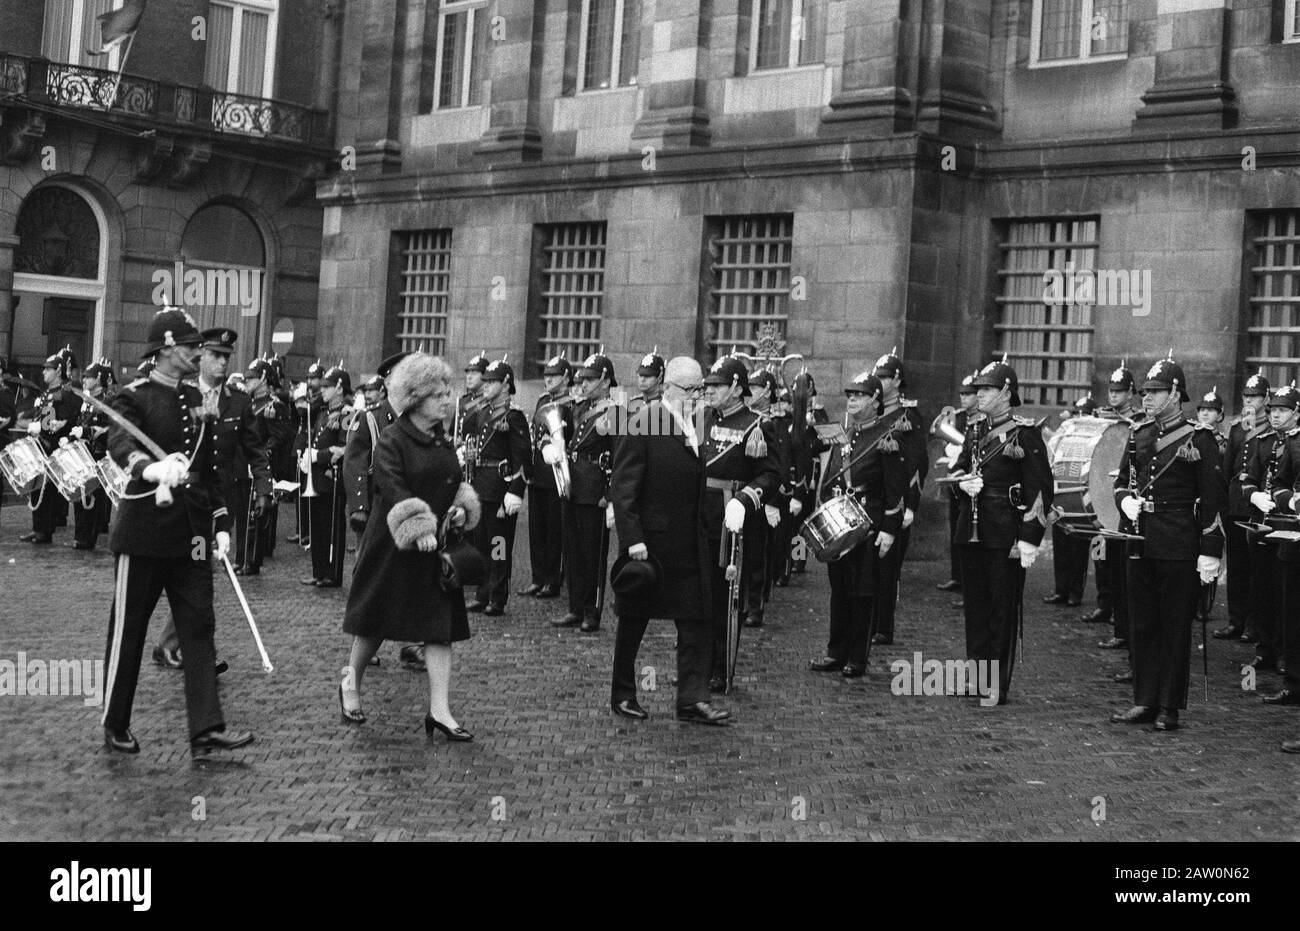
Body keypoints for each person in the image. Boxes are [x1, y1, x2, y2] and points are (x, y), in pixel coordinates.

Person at [101, 308, 253, 755]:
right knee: (129, 631)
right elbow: (119, 443)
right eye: (190, 347)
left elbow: (208, 471)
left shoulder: (196, 401)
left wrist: (221, 522)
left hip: (191, 535)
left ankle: (206, 727)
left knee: (198, 627)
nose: (198, 353)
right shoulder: (135, 396)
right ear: (167, 349)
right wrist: (149, 469)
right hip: (145, 534)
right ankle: (115, 719)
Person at [340, 352, 481, 741]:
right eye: (438, 394)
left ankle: (440, 710)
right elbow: (392, 486)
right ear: (416, 398)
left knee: (440, 629)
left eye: (447, 392)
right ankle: (350, 683)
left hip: (434, 548)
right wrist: (418, 527)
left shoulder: (441, 440)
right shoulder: (391, 439)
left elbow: (452, 481)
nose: (446, 400)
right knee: (373, 624)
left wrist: (456, 509)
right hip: (392, 548)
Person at [608, 356, 731, 725]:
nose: (697, 397)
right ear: (668, 387)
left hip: (689, 542)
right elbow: (623, 487)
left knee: (696, 619)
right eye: (690, 390)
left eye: (701, 390)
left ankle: (692, 700)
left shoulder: (697, 424)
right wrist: (632, 540)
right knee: (634, 619)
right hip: (652, 544)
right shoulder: (644, 423)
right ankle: (623, 693)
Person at [1110, 354, 1225, 732]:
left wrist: (1210, 552)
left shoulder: (1199, 438)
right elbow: (1122, 481)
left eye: (1156, 392)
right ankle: (1144, 699)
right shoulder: (1139, 433)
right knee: (1142, 623)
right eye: (1145, 391)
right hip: (1141, 538)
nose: (1147, 398)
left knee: (1174, 625)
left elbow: (1212, 499)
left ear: (1175, 393)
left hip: (1178, 542)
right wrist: (1124, 499)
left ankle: (1169, 706)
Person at [952, 357, 1053, 705]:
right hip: (972, 527)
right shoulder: (975, 429)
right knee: (976, 606)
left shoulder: (1025, 433)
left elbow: (1040, 488)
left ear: (1006, 392)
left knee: (1001, 606)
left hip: (1005, 530)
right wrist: (962, 484)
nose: (979, 394)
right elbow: (955, 472)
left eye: (987, 389)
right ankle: (977, 675)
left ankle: (997, 682)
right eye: (978, 389)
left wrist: (1029, 538)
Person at [808, 372, 906, 678]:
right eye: (850, 394)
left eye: (860, 395)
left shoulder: (887, 436)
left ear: (876, 401)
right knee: (839, 589)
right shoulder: (843, 434)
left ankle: (857, 657)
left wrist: (890, 528)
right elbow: (831, 473)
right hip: (840, 521)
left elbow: (895, 488)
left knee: (862, 592)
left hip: (868, 523)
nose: (852, 399)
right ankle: (835, 651)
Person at [699, 356, 782, 692]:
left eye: (716, 386)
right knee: (697, 594)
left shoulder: (758, 425)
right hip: (697, 514)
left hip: (728, 517)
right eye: (708, 385)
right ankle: (696, 665)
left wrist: (745, 499)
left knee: (723, 597)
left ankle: (720, 667)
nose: (710, 391)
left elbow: (771, 474)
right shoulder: (701, 418)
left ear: (736, 388)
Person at [548, 353, 620, 633]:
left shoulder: (615, 412)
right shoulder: (580, 409)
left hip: (595, 491)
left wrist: (610, 493)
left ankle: (592, 611)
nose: (584, 384)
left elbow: (620, 456)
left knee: (593, 555)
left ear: (605, 380)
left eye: (590, 380)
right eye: (583, 380)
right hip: (573, 487)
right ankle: (575, 607)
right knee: (574, 552)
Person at [1238, 384, 1300, 680]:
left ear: (1296, 413)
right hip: (1261, 523)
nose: (1276, 415)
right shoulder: (1262, 442)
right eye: (1273, 410)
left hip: (1288, 526)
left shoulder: (1297, 442)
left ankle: (1287, 654)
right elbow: (1247, 477)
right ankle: (1266, 648)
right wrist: (1253, 496)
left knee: (1285, 591)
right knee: (1260, 587)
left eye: (1282, 410)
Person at [870, 349, 928, 645]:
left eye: (883, 377)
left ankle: (884, 625)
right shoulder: (872, 411)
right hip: (872, 499)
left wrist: (912, 504)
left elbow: (918, 462)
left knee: (887, 568)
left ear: (896, 380)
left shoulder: (908, 416)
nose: (879, 382)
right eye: (876, 376)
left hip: (897, 501)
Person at [464, 358, 530, 615]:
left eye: (492, 382)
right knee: (481, 544)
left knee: (499, 544)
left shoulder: (513, 416)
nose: (486, 385)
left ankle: (497, 595)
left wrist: (515, 492)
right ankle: (482, 592)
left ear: (505, 384)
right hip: (481, 485)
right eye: (486, 380)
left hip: (501, 488)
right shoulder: (483, 412)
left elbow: (523, 458)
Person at [1091, 363, 1144, 683]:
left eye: (1119, 391)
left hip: (1133, 510)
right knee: (1109, 565)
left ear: (1130, 393)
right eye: (1110, 391)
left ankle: (1127, 633)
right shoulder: (1102, 418)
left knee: (1130, 579)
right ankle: (1111, 616)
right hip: (1108, 505)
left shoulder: (1138, 423)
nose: (1113, 396)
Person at [1216, 370, 1270, 642]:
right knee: (1236, 565)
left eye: (1255, 396)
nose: (1250, 401)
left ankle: (1253, 624)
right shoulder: (1237, 429)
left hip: (1259, 506)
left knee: (1256, 568)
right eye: (1247, 396)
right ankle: (1235, 620)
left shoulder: (1271, 428)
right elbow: (1227, 470)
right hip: (1236, 504)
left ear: (1266, 398)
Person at [520, 353, 574, 599]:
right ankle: (538, 576)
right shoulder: (542, 400)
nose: (549, 380)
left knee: (555, 530)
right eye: (547, 375)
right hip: (539, 472)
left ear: (566, 378)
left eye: (554, 376)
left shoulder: (572, 404)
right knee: (537, 528)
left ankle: (554, 579)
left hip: (558, 474)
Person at [16, 348, 78, 544]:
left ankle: (45, 530)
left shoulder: (64, 393)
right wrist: (31, 424)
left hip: (50, 446)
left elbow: (62, 421)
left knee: (47, 491)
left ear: (58, 371)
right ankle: (38, 527)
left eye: (48, 369)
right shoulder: (46, 394)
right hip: (39, 445)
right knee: (36, 488)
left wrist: (39, 427)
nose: (43, 372)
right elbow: (39, 416)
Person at [240, 356, 294, 575]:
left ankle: (253, 560)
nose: (248, 381)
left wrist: (263, 453)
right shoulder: (250, 404)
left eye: (252, 378)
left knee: (257, 514)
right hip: (245, 464)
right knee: (245, 513)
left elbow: (280, 436)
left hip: (261, 465)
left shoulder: (274, 405)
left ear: (263, 379)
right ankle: (243, 555)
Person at [1045, 394, 1096, 609]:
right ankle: (1061, 589)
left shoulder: (1095, 438)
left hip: (1081, 501)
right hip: (1061, 498)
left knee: (1078, 550)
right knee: (1061, 547)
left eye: (1084, 413)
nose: (1080, 417)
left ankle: (1075, 592)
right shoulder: (1064, 434)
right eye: (1077, 413)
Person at [303, 363, 351, 587]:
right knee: (318, 527)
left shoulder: (346, 414)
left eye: (327, 386)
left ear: (339, 388)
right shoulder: (323, 413)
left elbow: (343, 448)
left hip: (333, 479)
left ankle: (332, 573)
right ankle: (318, 570)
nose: (322, 390)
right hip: (318, 480)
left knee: (332, 528)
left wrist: (317, 456)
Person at [935, 371, 978, 597]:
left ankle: (970, 585)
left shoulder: (981, 419)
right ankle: (957, 576)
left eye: (969, 394)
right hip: (957, 480)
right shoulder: (959, 418)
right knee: (956, 530)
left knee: (970, 535)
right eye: (962, 393)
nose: (964, 398)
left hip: (974, 483)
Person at [69, 358, 115, 551]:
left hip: (97, 453)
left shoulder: (107, 400)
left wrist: (87, 433)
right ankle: (80, 535)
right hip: (83, 453)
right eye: (84, 377)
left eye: (88, 377)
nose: (85, 380)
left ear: (98, 378)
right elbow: (82, 422)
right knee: (80, 496)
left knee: (93, 498)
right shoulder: (87, 401)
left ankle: (90, 537)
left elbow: (108, 428)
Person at [289, 359, 325, 546]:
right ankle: (300, 529)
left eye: (314, 378)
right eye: (309, 378)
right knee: (299, 492)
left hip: (312, 446)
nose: (310, 381)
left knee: (308, 492)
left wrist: (300, 400)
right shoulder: (311, 397)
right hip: (302, 444)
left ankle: (308, 530)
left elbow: (305, 413)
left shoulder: (320, 398)